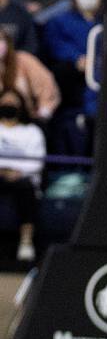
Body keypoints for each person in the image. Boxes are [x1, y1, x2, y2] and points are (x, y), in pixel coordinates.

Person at [0, 88, 46, 264]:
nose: (9, 105)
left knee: (26, 189)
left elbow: (37, 161)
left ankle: (26, 243)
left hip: (23, 179)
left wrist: (15, 171)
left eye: (13, 102)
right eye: (5, 102)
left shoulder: (32, 131)